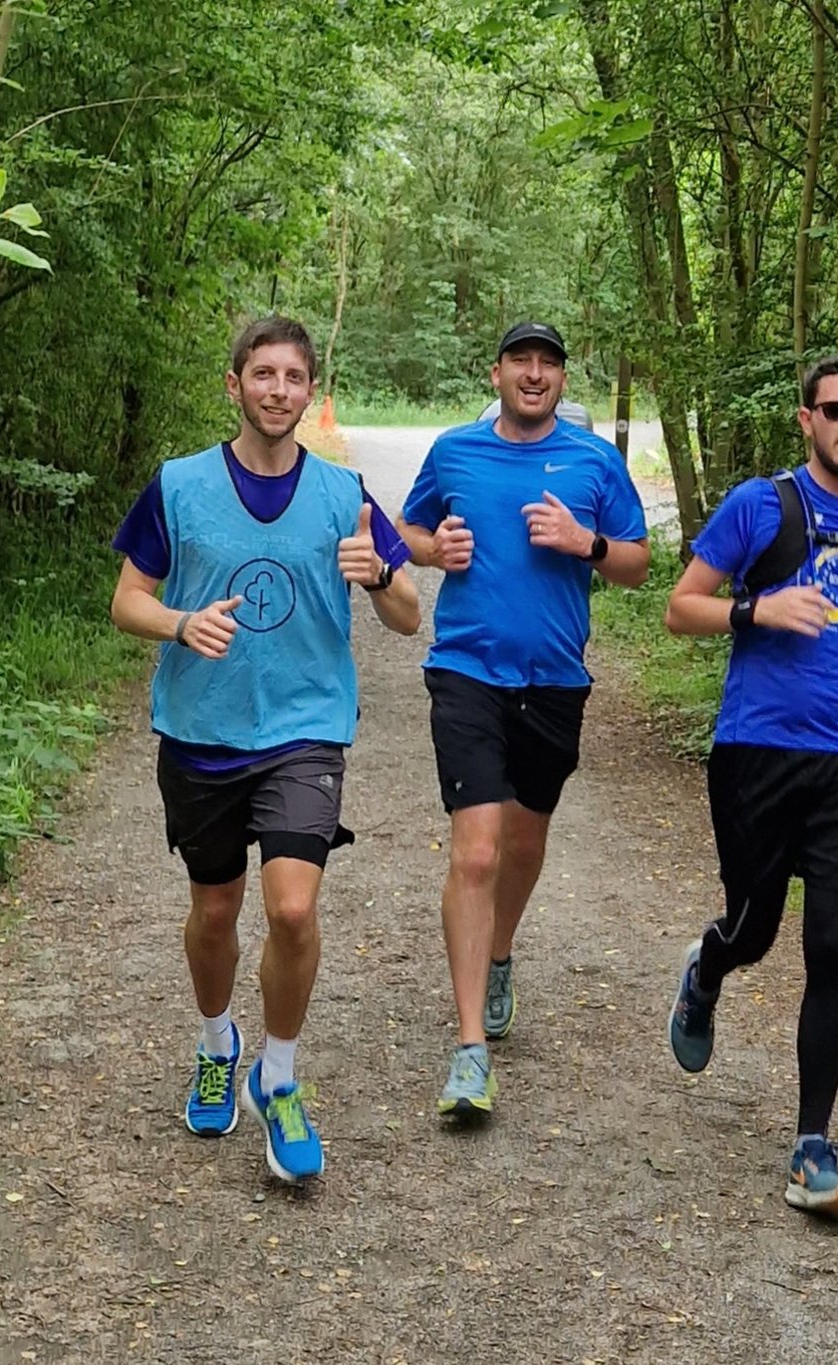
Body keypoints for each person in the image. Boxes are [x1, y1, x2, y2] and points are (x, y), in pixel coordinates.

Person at [109, 316, 419, 1183]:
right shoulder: (179, 486)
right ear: (234, 383)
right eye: (262, 374)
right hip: (203, 732)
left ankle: (277, 1076)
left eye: (293, 377)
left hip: (305, 730)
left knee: (290, 910)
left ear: (310, 391)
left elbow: (409, 618)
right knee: (214, 914)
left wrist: (383, 574)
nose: (278, 390)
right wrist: (179, 620)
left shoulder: (345, 494)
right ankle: (219, 1042)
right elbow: (126, 600)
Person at [661, 353, 838, 1215]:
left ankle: (812, 1145)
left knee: (834, 941)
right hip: (757, 749)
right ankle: (708, 967)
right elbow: (681, 607)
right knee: (755, 927)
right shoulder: (761, 507)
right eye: (836, 409)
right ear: (807, 419)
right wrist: (757, 609)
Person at [398, 321, 651, 1119]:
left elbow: (639, 565)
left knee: (525, 843)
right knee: (475, 851)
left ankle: (499, 952)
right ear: (497, 372)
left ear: (562, 380)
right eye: (521, 362)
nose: (534, 374)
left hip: (554, 681)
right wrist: (434, 549)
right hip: (467, 670)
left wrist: (587, 541)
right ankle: (470, 1049)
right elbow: (403, 534)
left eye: (548, 364)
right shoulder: (454, 452)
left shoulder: (595, 462)